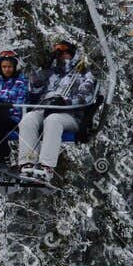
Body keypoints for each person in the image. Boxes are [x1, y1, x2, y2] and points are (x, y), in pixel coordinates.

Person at [17, 39, 98, 184]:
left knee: (53, 120)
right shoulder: (51, 72)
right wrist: (44, 68)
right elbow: (34, 88)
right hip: (46, 108)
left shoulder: (83, 72)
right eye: (57, 52)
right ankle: (27, 163)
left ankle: (46, 167)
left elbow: (87, 97)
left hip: (69, 114)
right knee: (28, 119)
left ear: (70, 53)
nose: (60, 56)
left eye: (63, 52)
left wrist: (65, 102)